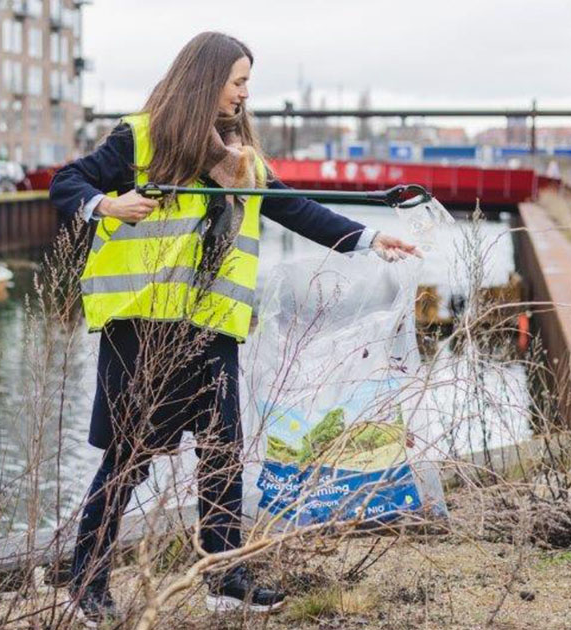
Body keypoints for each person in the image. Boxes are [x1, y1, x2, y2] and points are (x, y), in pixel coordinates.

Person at [49, 31, 419, 627]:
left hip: (211, 327)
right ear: (206, 81)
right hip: (140, 329)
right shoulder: (138, 139)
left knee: (222, 453)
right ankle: (87, 584)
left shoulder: (241, 160)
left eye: (247, 82)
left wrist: (373, 239)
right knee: (127, 460)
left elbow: (295, 208)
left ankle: (226, 578)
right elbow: (67, 183)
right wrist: (109, 206)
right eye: (238, 81)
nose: (245, 94)